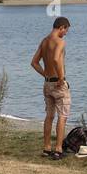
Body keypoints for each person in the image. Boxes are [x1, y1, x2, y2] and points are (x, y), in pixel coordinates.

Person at [31, 16, 71, 160]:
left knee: (49, 116)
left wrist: (45, 75)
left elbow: (34, 62)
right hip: (58, 84)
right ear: (62, 27)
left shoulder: (44, 41)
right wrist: (61, 78)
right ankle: (58, 149)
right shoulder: (60, 41)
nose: (66, 33)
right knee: (62, 116)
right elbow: (55, 58)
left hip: (47, 83)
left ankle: (47, 148)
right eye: (66, 30)